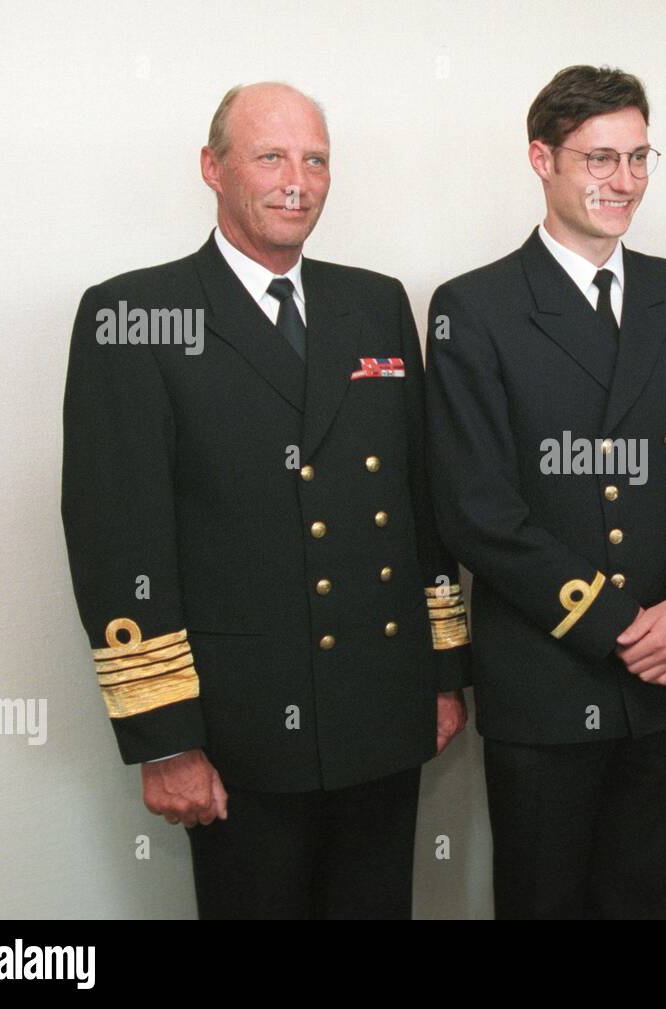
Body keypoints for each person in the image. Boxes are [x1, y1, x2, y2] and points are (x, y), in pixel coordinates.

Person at [60, 82, 469, 919]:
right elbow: (118, 545)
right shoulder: (135, 314)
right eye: (271, 156)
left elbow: (420, 507)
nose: (298, 180)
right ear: (211, 168)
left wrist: (443, 672)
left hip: (380, 710)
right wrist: (165, 738)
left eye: (316, 159)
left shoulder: (376, 303)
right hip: (239, 732)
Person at [424, 65, 666, 919]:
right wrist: (616, 624)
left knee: (649, 902)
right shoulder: (475, 307)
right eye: (599, 158)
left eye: (639, 157)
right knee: (546, 903)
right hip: (549, 672)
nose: (624, 181)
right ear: (542, 158)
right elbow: (476, 510)